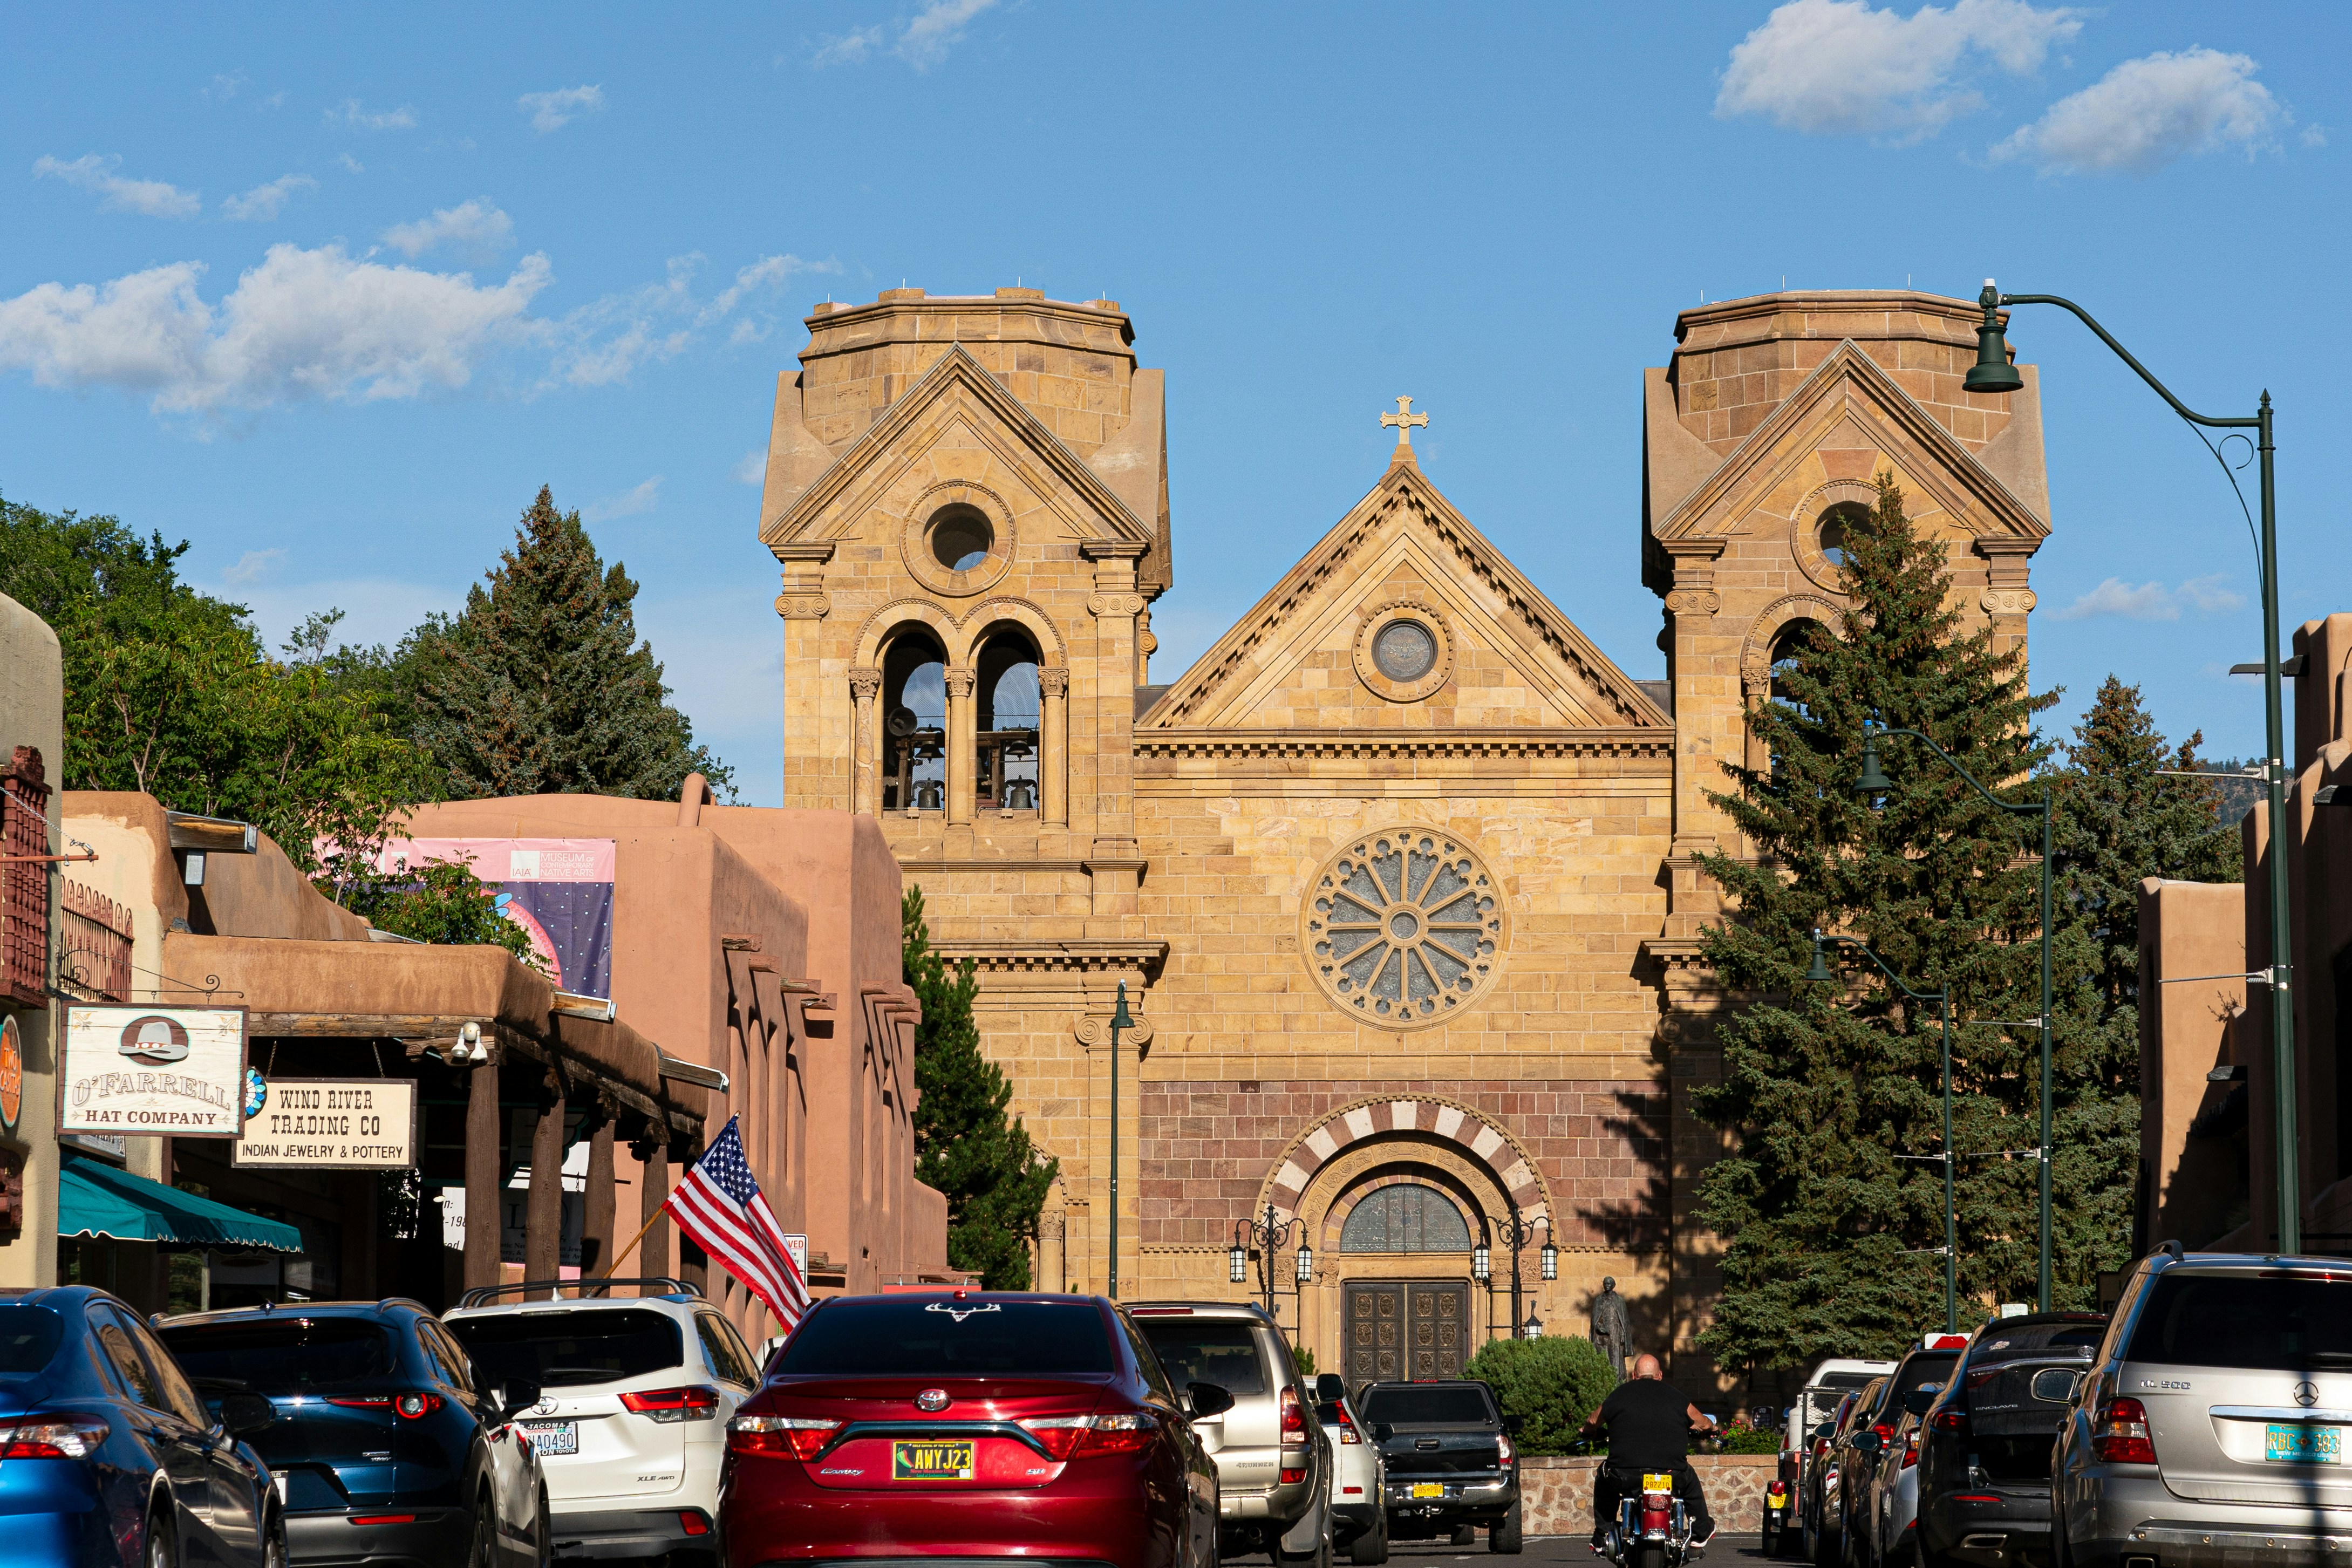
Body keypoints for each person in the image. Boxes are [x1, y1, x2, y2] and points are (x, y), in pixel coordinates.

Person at [1579, 1353, 1717, 1552]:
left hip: (1625, 1473)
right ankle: (1701, 1531)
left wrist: (1588, 1431)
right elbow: (1701, 1422)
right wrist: (1712, 1428)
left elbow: (1593, 1420)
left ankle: (1603, 1535)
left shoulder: (1620, 1394)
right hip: (1671, 1472)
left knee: (1604, 1476)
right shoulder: (1676, 1396)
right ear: (1659, 1375)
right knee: (1690, 1480)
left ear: (1634, 1376)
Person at [1589, 1277, 1631, 1381]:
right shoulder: (1599, 1300)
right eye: (1605, 1283)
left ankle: (1617, 1380)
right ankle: (1604, 1380)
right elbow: (1594, 1319)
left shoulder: (1619, 1301)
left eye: (1609, 1283)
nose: (1607, 1285)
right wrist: (1598, 1327)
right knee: (1604, 1358)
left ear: (1613, 1285)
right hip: (1602, 1336)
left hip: (1615, 1333)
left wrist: (1622, 1334)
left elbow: (1624, 1321)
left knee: (1616, 1358)